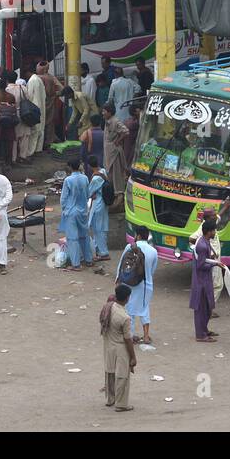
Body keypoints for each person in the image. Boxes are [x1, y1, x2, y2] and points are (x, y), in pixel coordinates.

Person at [100, 283, 137, 412]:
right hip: (120, 346)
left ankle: (110, 399)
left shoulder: (108, 307)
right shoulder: (125, 318)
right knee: (122, 375)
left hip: (108, 343)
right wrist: (133, 357)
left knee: (110, 371)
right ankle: (121, 404)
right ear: (127, 298)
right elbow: (128, 339)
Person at [117, 230, 157, 343]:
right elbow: (152, 270)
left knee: (129, 310)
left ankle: (130, 335)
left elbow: (121, 264)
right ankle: (146, 336)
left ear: (138, 235)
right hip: (145, 285)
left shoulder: (129, 247)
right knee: (144, 308)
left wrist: (119, 280)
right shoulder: (153, 251)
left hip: (128, 283)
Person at [190, 218, 222, 342]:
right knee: (201, 308)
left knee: (208, 306)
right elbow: (201, 265)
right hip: (201, 281)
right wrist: (215, 264)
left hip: (205, 279)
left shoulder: (204, 241)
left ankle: (204, 329)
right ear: (209, 231)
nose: (215, 232)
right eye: (214, 230)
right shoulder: (203, 245)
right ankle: (200, 334)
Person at [58, 165, 92, 270]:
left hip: (71, 211)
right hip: (83, 211)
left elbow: (63, 198)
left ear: (70, 168)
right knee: (84, 236)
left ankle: (76, 264)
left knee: (72, 238)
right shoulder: (85, 178)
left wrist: (64, 210)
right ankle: (88, 260)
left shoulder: (68, 180)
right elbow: (88, 194)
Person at [101, 102, 129, 198]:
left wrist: (118, 140)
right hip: (108, 152)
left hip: (114, 153)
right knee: (110, 175)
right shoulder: (107, 121)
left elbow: (126, 132)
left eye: (104, 111)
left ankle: (119, 196)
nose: (102, 113)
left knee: (116, 175)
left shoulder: (115, 121)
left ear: (109, 112)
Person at [86, 157, 111, 261]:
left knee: (98, 228)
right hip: (103, 203)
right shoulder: (103, 171)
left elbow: (89, 192)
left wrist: (92, 195)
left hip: (98, 204)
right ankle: (98, 249)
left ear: (90, 166)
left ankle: (103, 253)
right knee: (101, 228)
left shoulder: (96, 178)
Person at [22, 66, 46, 158]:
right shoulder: (39, 79)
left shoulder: (32, 81)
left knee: (34, 132)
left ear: (28, 73)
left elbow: (29, 96)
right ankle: (38, 149)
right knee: (40, 130)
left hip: (34, 108)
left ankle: (30, 153)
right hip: (41, 107)